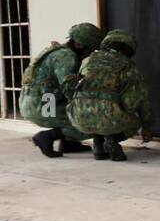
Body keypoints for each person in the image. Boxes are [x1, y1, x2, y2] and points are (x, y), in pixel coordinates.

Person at [19, 22, 104, 157]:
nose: (91, 54)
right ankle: (47, 137)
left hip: (34, 101)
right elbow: (70, 88)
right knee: (96, 121)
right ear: (79, 45)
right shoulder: (67, 57)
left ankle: (69, 144)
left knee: (76, 113)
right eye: (91, 50)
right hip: (43, 106)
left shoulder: (59, 52)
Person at [67, 29, 153, 162]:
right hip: (111, 121)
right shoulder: (127, 66)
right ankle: (112, 140)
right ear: (129, 49)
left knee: (96, 113)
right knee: (132, 119)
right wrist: (146, 126)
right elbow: (135, 100)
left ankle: (98, 148)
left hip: (78, 118)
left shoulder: (87, 61)